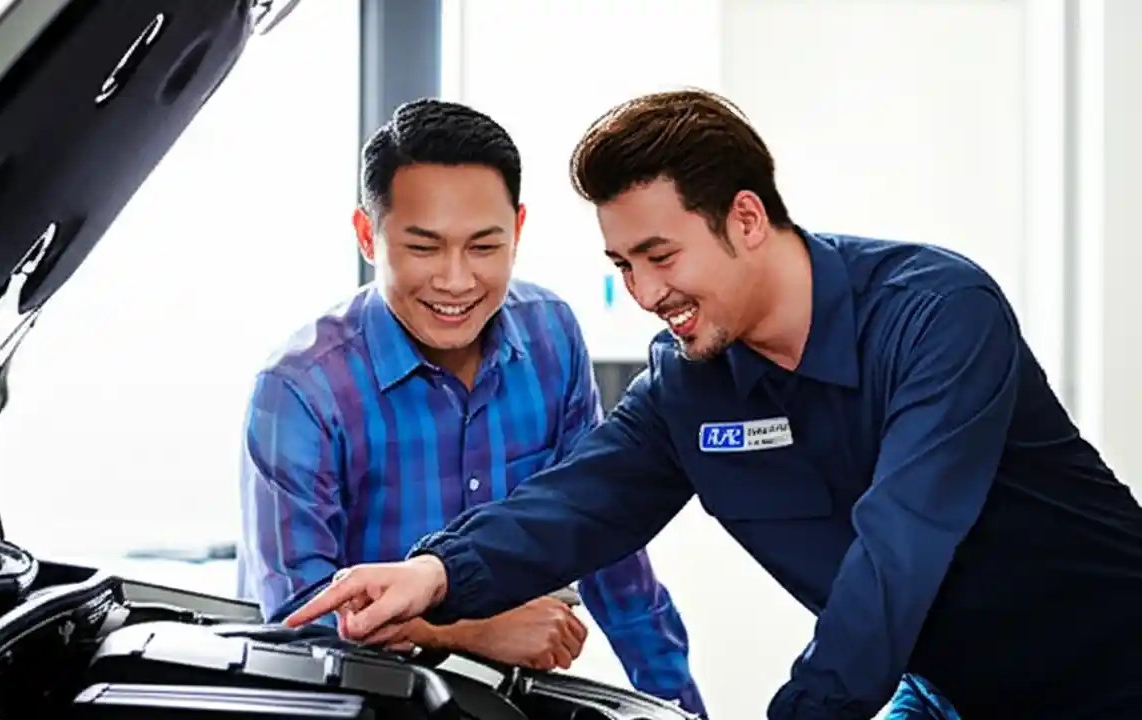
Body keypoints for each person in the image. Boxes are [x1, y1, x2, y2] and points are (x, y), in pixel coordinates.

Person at [283, 88, 1142, 720]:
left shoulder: (936, 315)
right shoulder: (690, 381)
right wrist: (432, 576)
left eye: (660, 255)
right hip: (944, 689)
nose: (646, 291)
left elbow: (897, 556)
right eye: (622, 265)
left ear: (744, 218)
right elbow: (579, 503)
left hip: (1112, 679)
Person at [237, 98, 706, 715]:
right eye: (425, 248)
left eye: (484, 248)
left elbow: (605, 537)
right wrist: (470, 631)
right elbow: (298, 624)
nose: (456, 282)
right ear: (366, 236)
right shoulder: (301, 390)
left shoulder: (551, 335)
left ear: (518, 228)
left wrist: (679, 706)